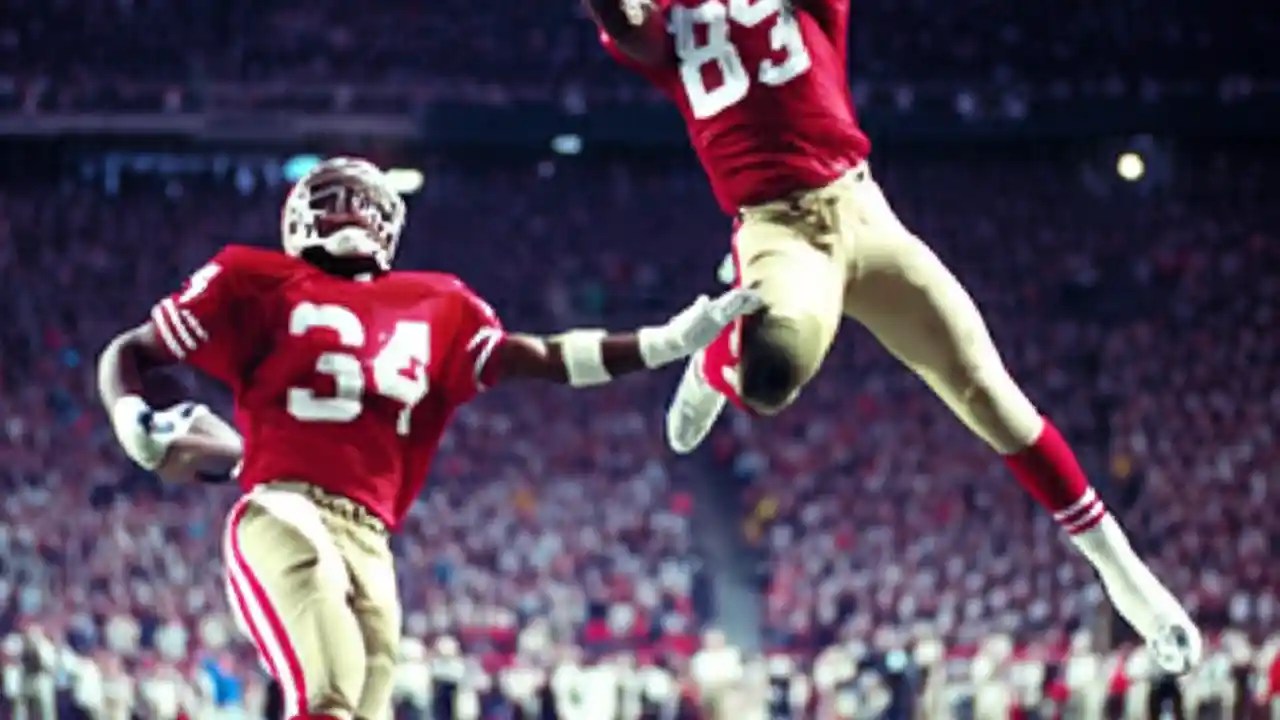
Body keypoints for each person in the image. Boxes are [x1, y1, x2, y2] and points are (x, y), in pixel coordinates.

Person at [583, 0, 1201, 673]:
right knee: (773, 373)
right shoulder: (667, 23)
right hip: (779, 232)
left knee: (988, 392)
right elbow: (622, 22)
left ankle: (1120, 569)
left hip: (862, 211)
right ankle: (715, 363)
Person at [96, 156, 760, 720]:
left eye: (367, 204)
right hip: (284, 507)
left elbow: (542, 356)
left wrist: (661, 343)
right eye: (338, 203)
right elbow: (130, 351)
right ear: (300, 217)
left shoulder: (440, 303)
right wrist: (133, 422)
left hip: (371, 537)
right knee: (327, 690)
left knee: (367, 700)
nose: (355, 214)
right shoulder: (253, 279)